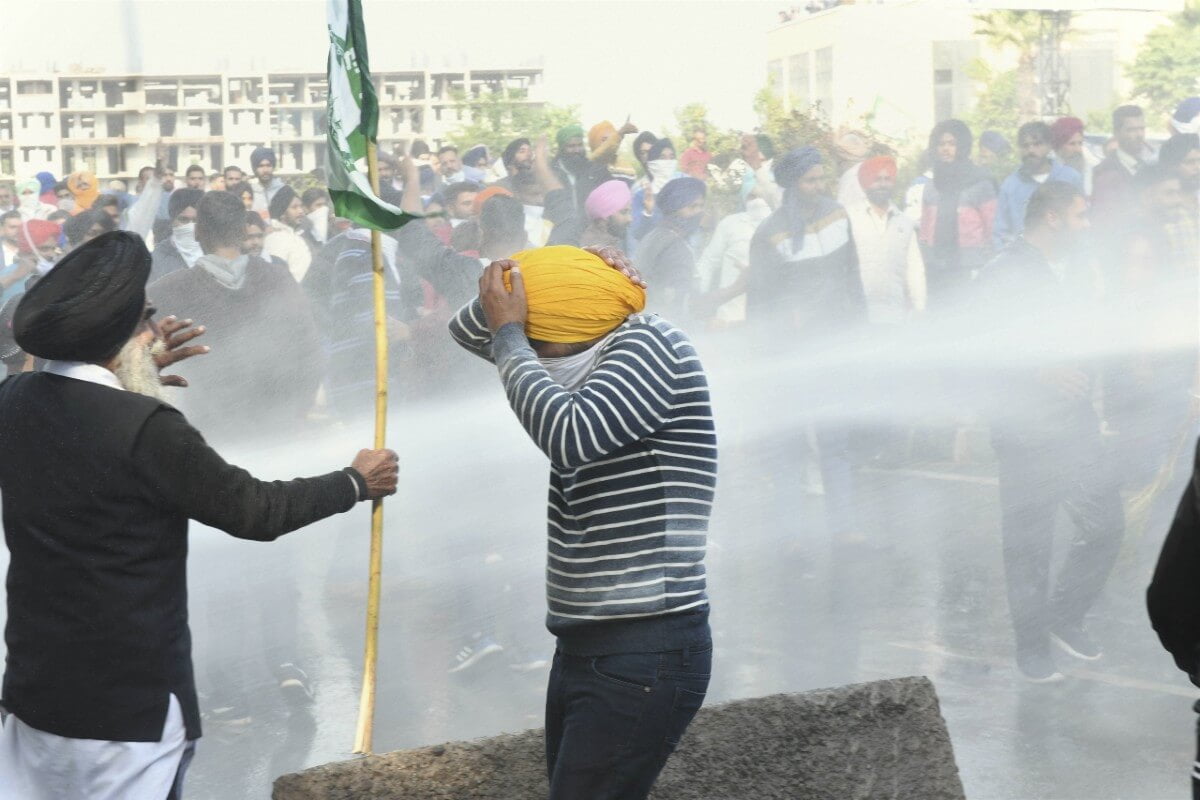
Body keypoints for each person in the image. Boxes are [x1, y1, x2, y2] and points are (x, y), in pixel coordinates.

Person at [0, 231, 398, 800]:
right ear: (131, 335)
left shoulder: (15, 403)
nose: (159, 328)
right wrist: (354, 481)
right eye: (150, 317)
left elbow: (76, 426)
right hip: (128, 710)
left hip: (36, 696)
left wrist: (129, 375)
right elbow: (254, 511)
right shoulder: (146, 429)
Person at [448, 246, 713, 800]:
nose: (536, 361)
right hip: (590, 645)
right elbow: (468, 330)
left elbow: (570, 438)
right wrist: (548, 277)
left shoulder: (649, 349)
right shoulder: (592, 349)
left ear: (579, 325)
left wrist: (512, 337)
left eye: (542, 342)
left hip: (645, 645)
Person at [974, 181, 1124, 683]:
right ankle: (1031, 647)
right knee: (1028, 546)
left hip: (1075, 425)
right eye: (1081, 216)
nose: (1087, 226)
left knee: (1106, 525)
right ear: (1054, 218)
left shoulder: (1077, 270)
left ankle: (1064, 616)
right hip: (1024, 433)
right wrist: (1039, 373)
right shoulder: (1003, 273)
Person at [148, 191, 324, 441]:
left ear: (198, 232)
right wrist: (295, 416)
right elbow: (311, 357)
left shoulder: (164, 293)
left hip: (204, 444)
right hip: (278, 437)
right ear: (243, 231)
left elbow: (147, 373)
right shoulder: (279, 280)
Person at [916, 119, 996, 308]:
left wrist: (988, 265)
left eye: (952, 144)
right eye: (941, 144)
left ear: (962, 146)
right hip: (937, 269)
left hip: (970, 268)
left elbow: (993, 228)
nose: (946, 149)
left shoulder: (980, 183)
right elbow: (925, 232)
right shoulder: (931, 186)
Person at [844, 155, 925, 324]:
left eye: (887, 179)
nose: (882, 184)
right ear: (865, 182)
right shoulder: (848, 218)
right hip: (858, 317)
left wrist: (920, 308)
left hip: (895, 316)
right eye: (876, 179)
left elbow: (915, 269)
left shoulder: (905, 222)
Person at [693, 180, 771, 327]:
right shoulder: (731, 224)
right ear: (744, 198)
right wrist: (698, 297)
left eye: (763, 196)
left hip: (767, 318)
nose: (759, 202)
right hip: (729, 318)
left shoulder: (782, 226)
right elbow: (708, 262)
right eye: (752, 196)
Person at [994, 121, 1082, 247]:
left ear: (1049, 146)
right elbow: (1001, 232)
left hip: (1067, 256)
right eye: (1025, 146)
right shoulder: (1010, 185)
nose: (1031, 150)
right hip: (1026, 260)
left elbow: (1082, 218)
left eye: (1037, 144)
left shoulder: (1070, 178)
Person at [634, 177, 706, 320]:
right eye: (692, 206)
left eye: (700, 206)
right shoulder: (674, 246)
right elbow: (677, 301)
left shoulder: (656, 234)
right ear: (674, 209)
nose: (698, 212)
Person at [1092, 105, 1157, 223]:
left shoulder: (1149, 168)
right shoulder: (1105, 171)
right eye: (1131, 130)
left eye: (1142, 128)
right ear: (1116, 133)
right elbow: (1105, 219)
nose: (1139, 134)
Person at [150, 188, 204, 283]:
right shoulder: (156, 260)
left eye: (196, 220)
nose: (190, 226)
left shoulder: (215, 253)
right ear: (172, 220)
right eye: (184, 220)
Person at [262, 185, 314, 282]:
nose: (301, 211)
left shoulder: (291, 235)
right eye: (294, 207)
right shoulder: (276, 238)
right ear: (282, 213)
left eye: (300, 206)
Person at [1050, 117, 1096, 195]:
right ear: (1058, 147)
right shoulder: (1050, 173)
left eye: (1080, 143)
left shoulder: (1091, 168)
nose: (1078, 149)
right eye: (1072, 144)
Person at [249, 146, 285, 213]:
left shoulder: (283, 190)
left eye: (268, 165)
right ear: (255, 169)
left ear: (273, 167)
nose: (265, 170)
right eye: (261, 166)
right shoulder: (250, 192)